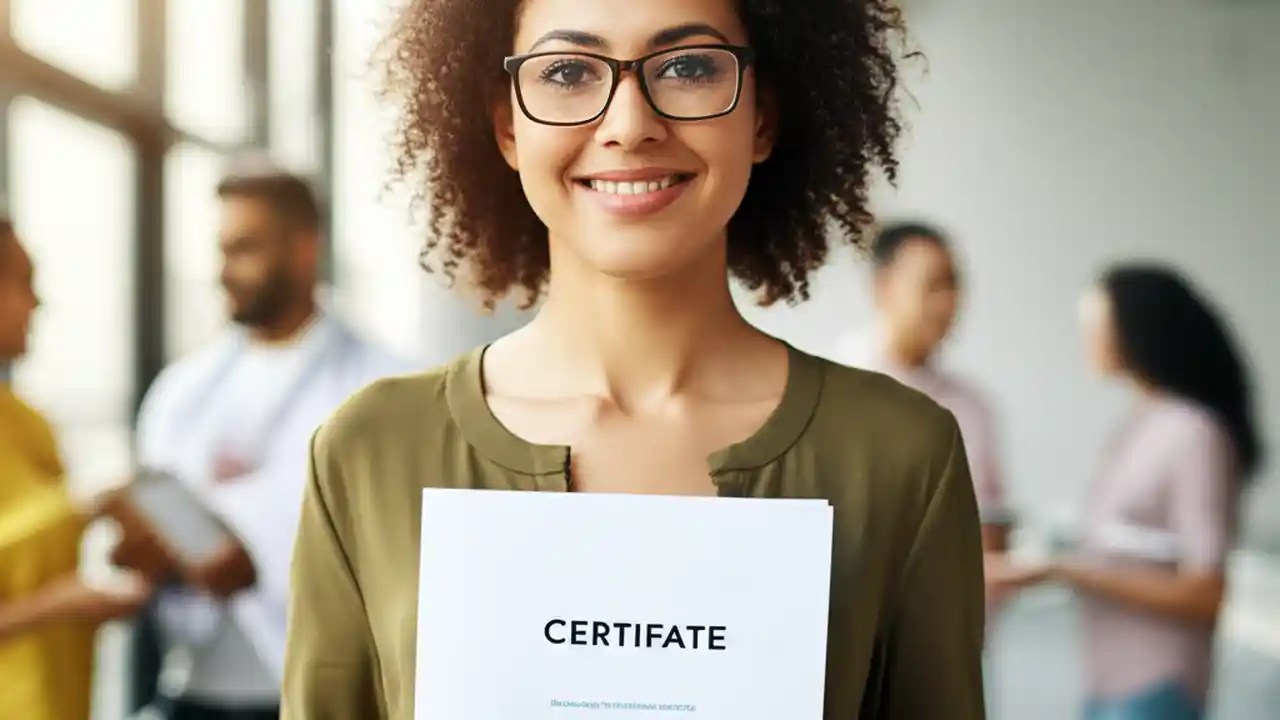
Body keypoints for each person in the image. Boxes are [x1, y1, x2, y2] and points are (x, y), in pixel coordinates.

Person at [283, 1, 986, 718]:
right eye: (566, 71)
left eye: (686, 67)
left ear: (762, 118)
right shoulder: (369, 453)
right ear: (507, 126)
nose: (629, 125)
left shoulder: (902, 457)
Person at [116, 172, 409, 720]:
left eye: (244, 249)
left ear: (304, 250)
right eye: (220, 251)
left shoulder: (384, 391)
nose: (223, 272)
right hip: (191, 693)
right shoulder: (181, 391)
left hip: (316, 699)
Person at [990, 264, 1262, 720]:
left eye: (1095, 324)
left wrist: (1066, 571)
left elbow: (1206, 590)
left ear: (1134, 328)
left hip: (1157, 685)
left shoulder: (1193, 433)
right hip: (1109, 685)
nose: (1087, 339)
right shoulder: (1141, 423)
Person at [0, 216, 153, 720]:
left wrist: (129, 552)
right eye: (21, 282)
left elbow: (45, 556)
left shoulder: (31, 422)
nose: (37, 303)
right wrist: (61, 603)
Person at [839, 222, 1014, 551]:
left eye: (953, 286)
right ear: (884, 288)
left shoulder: (972, 406)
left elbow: (991, 526)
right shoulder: (831, 389)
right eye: (933, 286)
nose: (947, 304)